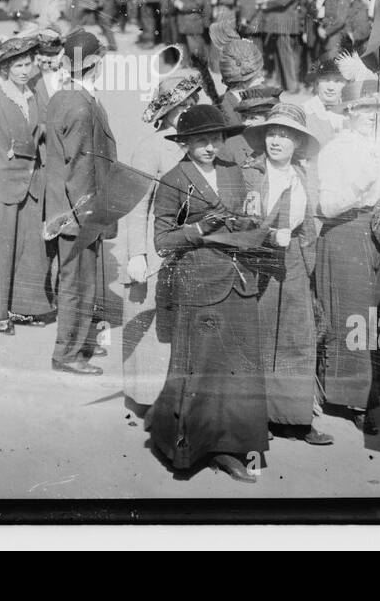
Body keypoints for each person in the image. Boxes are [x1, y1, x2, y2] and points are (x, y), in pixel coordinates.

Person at [145, 104, 268, 483]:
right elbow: (163, 242)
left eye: (215, 139)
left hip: (239, 281)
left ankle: (234, 448)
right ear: (185, 143)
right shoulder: (173, 179)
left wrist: (248, 220)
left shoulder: (232, 173)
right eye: (201, 141)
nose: (210, 147)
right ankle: (193, 448)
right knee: (200, 368)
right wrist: (198, 228)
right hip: (198, 284)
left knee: (240, 368)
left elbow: (247, 220)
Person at [311, 80, 380, 442]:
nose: (370, 117)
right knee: (348, 317)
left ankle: (351, 390)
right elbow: (327, 206)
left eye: (377, 111)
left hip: (376, 230)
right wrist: (362, 186)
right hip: (344, 231)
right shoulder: (335, 150)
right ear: (348, 112)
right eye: (363, 110)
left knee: (369, 313)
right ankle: (351, 400)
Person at [120, 70, 202, 409]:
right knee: (152, 323)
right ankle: (148, 399)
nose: (186, 109)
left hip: (192, 247)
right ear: (165, 112)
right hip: (156, 248)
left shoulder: (201, 144)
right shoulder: (151, 148)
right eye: (179, 105)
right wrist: (136, 253)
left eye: (192, 102)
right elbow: (137, 207)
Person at [242, 103, 321, 429]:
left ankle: (295, 417)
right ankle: (257, 419)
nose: (276, 141)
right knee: (260, 334)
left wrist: (305, 255)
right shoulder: (250, 173)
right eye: (272, 134)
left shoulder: (303, 175)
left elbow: (311, 222)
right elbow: (239, 223)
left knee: (296, 336)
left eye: (285, 136)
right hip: (259, 260)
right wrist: (269, 234)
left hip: (294, 261)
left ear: (297, 143)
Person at [44, 29, 117, 375]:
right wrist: (90, 216)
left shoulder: (64, 96)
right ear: (93, 63)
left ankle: (81, 340)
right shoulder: (80, 105)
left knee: (80, 281)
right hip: (78, 212)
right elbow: (81, 167)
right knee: (77, 283)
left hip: (68, 207)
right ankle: (68, 354)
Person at [0, 35, 54, 331]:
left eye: (28, 63)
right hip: (4, 188)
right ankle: (0, 315)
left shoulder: (33, 96)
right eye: (18, 65)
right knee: (3, 252)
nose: (24, 69)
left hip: (32, 184)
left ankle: (24, 309)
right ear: (5, 67)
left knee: (30, 251)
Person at [258, 0, 304, 92]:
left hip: (286, 23)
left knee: (287, 57)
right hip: (278, 24)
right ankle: (284, 85)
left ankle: (292, 86)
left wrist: (266, 2)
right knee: (281, 56)